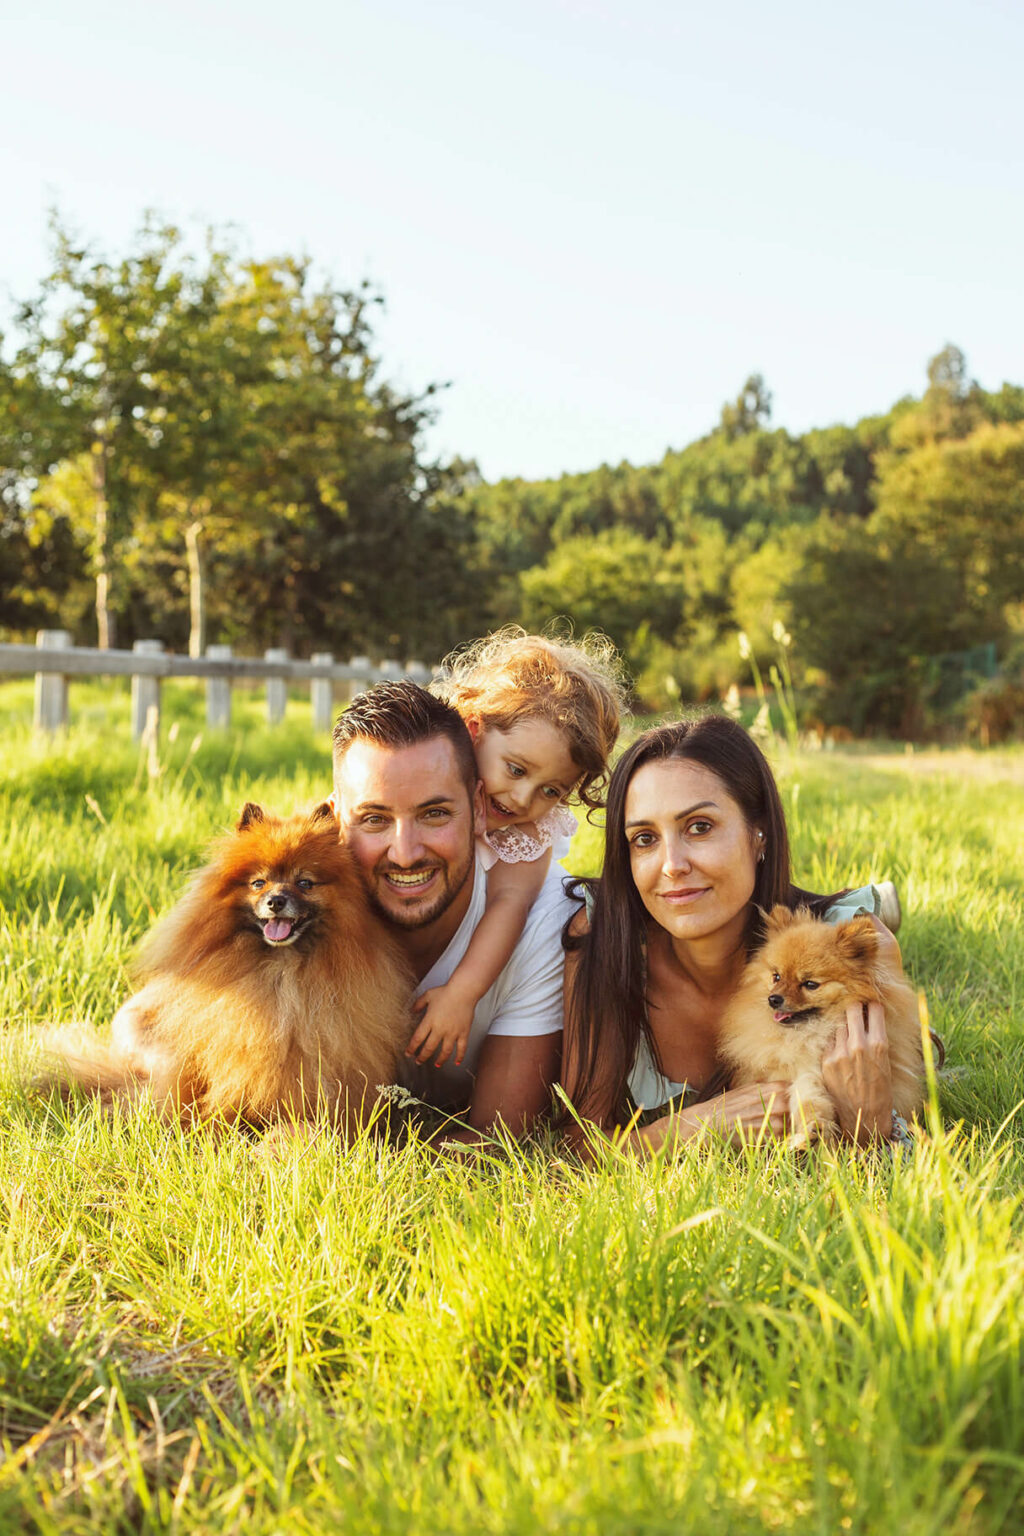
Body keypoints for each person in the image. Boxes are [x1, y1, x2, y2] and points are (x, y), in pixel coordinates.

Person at [560, 714, 909, 1153]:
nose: (672, 864)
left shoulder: (857, 951)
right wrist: (695, 1126)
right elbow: (575, 1148)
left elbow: (900, 1133)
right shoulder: (603, 940)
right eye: (645, 838)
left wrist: (870, 1123)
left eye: (699, 827)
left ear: (758, 833)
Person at [331, 678, 577, 1137]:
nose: (404, 854)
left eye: (435, 814)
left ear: (480, 808)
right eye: (374, 819)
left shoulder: (542, 913)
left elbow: (495, 1139)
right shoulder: (302, 909)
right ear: (333, 820)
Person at [404, 628, 624, 1070]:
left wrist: (463, 994)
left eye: (551, 790)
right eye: (516, 769)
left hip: (487, 986)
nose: (523, 800)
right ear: (474, 731)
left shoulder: (528, 833)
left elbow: (510, 906)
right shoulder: (423, 778)